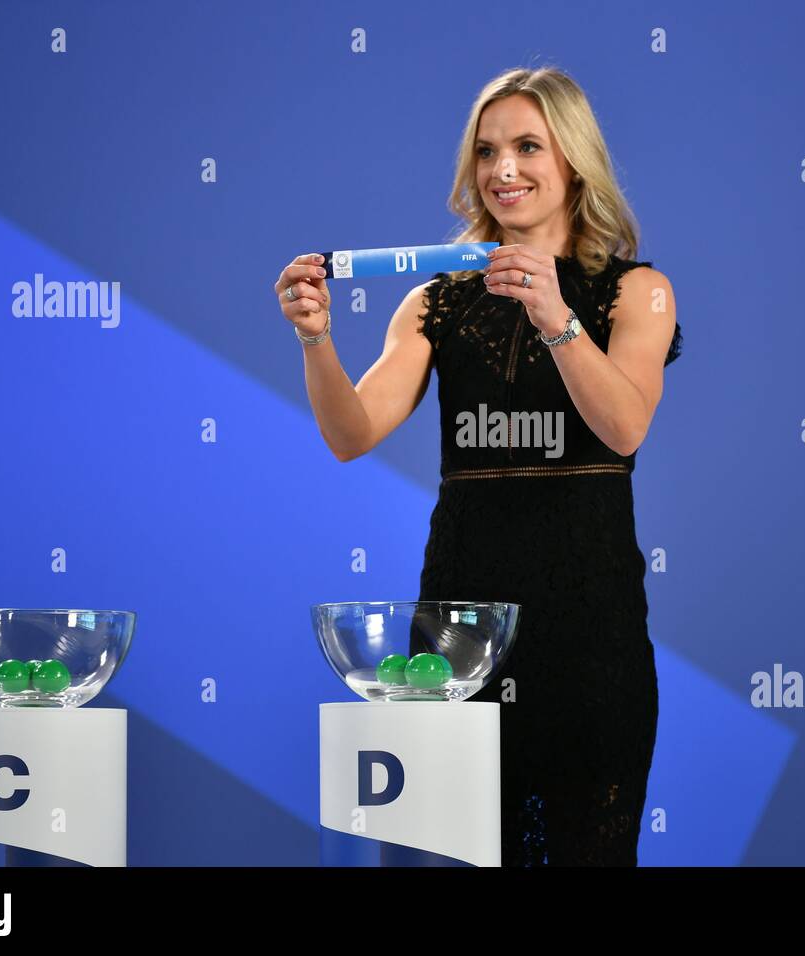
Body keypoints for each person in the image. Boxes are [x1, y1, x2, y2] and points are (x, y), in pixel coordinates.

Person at [274, 66, 682, 866]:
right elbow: (351, 434)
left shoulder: (637, 293)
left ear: (573, 161)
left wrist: (555, 315)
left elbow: (624, 426)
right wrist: (316, 339)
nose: (505, 170)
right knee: (456, 853)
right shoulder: (436, 300)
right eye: (488, 150)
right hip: (462, 631)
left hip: (590, 632)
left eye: (529, 147)